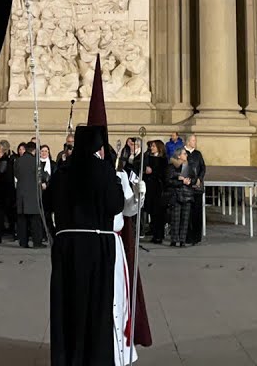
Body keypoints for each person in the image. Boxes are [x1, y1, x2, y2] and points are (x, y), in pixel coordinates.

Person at [49, 57, 127, 366]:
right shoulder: (104, 171)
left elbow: (50, 204)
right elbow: (115, 206)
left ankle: (67, 357)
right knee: (96, 305)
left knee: (66, 305)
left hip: (67, 245)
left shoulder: (63, 171)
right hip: (96, 245)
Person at [113, 149, 152, 361]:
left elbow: (128, 210)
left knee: (119, 297)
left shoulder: (119, 177)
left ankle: (121, 352)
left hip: (112, 243)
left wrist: (138, 196)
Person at [15, 141, 45, 248]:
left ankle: (23, 242)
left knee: (22, 220)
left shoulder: (18, 161)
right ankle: (37, 242)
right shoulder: (36, 162)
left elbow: (17, 175)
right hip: (33, 194)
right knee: (35, 221)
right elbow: (40, 176)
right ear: (34, 150)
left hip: (21, 194)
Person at [166, 150, 197, 248]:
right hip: (176, 195)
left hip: (187, 195)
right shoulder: (172, 166)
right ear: (179, 156)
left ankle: (182, 240)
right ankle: (174, 240)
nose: (186, 155)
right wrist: (180, 181)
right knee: (175, 219)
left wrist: (190, 182)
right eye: (184, 154)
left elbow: (194, 179)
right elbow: (169, 181)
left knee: (185, 219)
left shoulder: (189, 166)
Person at [143, 140, 168, 244]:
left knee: (158, 213)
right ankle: (153, 232)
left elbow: (163, 173)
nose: (151, 148)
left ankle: (159, 235)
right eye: (151, 146)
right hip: (149, 187)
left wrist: (153, 171)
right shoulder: (148, 157)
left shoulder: (163, 160)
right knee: (152, 212)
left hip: (158, 188)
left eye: (153, 146)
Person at [183, 135, 206, 245]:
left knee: (197, 212)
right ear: (188, 141)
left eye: (195, 140)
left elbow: (202, 168)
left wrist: (199, 179)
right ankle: (186, 236)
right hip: (186, 188)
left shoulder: (198, 154)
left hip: (197, 188)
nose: (195, 142)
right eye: (193, 140)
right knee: (187, 213)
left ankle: (196, 237)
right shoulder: (181, 152)